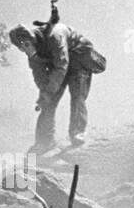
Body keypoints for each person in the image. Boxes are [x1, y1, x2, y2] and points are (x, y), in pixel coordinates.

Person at [9, 14, 105, 153]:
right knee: (48, 100)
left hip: (78, 59)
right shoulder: (32, 49)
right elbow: (39, 73)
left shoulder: (55, 35)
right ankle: (45, 141)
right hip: (59, 63)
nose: (23, 50)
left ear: (28, 40)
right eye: (20, 48)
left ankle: (77, 132)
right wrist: (44, 93)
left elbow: (61, 66)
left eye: (24, 46)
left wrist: (49, 91)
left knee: (77, 96)